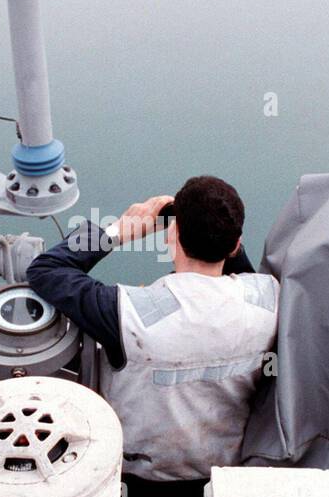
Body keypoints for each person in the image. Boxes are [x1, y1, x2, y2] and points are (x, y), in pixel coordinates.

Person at [26, 175, 279, 481]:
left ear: (172, 233)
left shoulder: (127, 312)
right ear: (236, 244)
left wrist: (117, 230)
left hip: (137, 480)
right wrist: (219, 232)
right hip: (223, 479)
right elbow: (244, 277)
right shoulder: (268, 299)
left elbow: (46, 270)